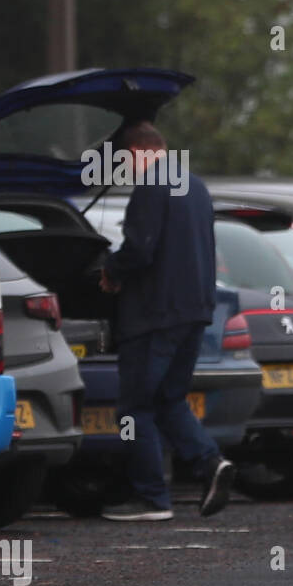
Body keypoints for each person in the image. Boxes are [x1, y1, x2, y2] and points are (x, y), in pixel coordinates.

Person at [98, 120, 235, 521]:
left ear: (133, 152)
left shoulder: (152, 185)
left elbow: (140, 249)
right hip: (195, 310)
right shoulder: (195, 185)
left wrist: (111, 270)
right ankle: (211, 463)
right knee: (169, 399)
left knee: (134, 405)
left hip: (154, 314)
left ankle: (151, 498)